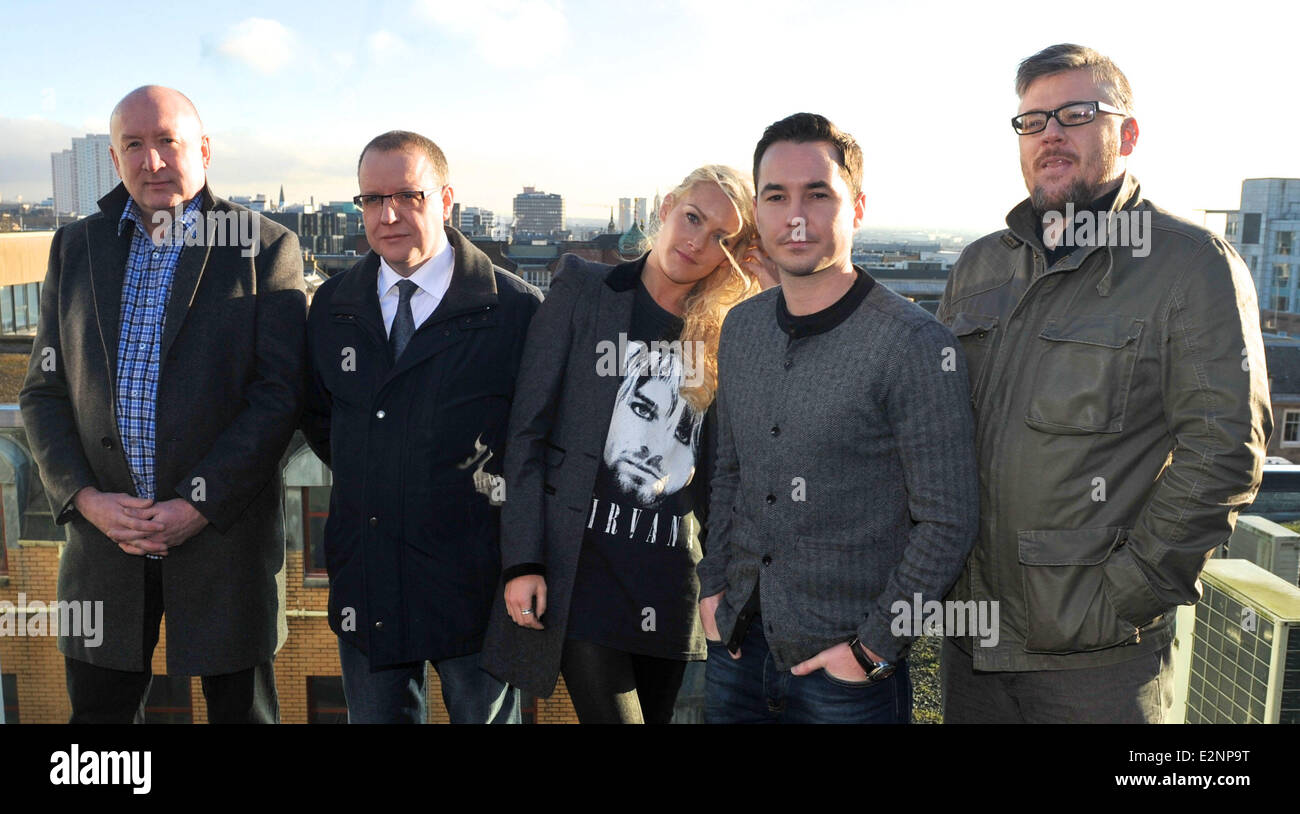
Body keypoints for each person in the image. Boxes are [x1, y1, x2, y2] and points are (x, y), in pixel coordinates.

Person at [936, 44, 1272, 723]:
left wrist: (1127, 593)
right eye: (1031, 121)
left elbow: (1225, 452)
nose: (1050, 133)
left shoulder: (1190, 266)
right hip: (972, 649)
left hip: (1099, 666)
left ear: (1128, 133)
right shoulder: (979, 267)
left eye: (1076, 113)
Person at [19, 85, 306, 723]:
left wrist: (198, 504)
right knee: (98, 737)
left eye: (167, 141)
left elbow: (279, 398)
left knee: (242, 716)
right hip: (104, 548)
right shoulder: (74, 247)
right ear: (116, 160)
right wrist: (86, 501)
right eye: (134, 146)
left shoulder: (263, 247)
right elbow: (43, 390)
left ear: (203, 150)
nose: (152, 162)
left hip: (224, 544)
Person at [698, 113, 980, 724]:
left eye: (818, 194)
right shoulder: (741, 328)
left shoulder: (913, 345)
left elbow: (948, 518)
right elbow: (728, 473)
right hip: (736, 653)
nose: (795, 215)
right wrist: (713, 587)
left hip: (848, 681)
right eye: (776, 196)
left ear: (856, 208)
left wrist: (875, 646)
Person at [481, 165, 763, 723]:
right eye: (692, 218)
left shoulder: (731, 332)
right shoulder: (584, 288)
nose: (696, 242)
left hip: (672, 582)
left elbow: (732, 470)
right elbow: (527, 431)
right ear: (664, 210)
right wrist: (523, 562)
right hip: (582, 579)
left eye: (722, 239)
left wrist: (770, 288)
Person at [301, 130, 540, 724]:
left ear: (446, 198)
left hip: (475, 585)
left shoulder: (513, 311)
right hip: (369, 578)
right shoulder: (333, 308)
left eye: (408, 196)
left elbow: (534, 444)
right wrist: (388, 466)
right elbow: (320, 418)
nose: (388, 215)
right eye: (372, 199)